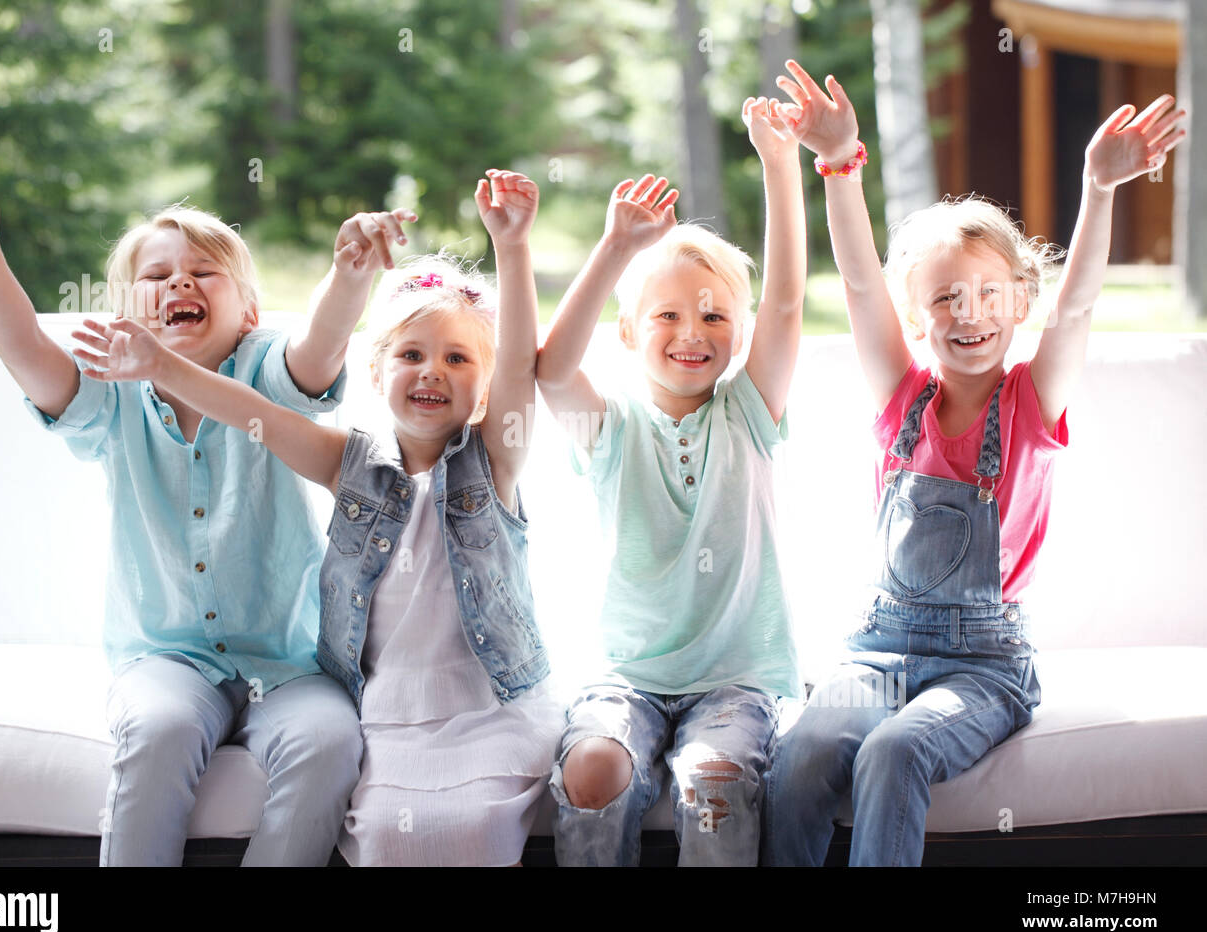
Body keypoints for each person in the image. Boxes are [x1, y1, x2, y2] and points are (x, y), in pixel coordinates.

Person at [0, 132, 418, 865]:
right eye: (157, 276)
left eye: (204, 272)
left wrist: (350, 276)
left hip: (290, 662)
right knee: (157, 732)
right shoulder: (110, 399)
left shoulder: (264, 373)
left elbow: (319, 347)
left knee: (330, 739)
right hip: (165, 658)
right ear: (127, 314)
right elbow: (24, 346)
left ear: (248, 311)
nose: (180, 283)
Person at [762, 60, 1186, 867]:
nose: (970, 314)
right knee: (803, 752)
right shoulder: (902, 398)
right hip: (877, 650)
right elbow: (857, 282)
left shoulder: (1031, 403)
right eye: (946, 299)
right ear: (918, 319)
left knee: (893, 752)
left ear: (1021, 303)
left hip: (983, 667)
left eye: (989, 295)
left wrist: (1098, 189)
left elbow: (1082, 303)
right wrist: (839, 164)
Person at [72, 169, 561, 867]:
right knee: (389, 835)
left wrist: (511, 246)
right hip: (390, 710)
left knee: (470, 834)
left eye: (457, 359)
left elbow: (519, 363)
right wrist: (159, 365)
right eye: (412, 355)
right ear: (375, 371)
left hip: (488, 707)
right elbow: (257, 416)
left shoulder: (495, 463)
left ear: (482, 389)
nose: (432, 372)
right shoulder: (348, 464)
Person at [536, 98, 806, 866]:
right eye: (668, 316)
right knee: (591, 768)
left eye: (716, 317)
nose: (694, 333)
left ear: (740, 335)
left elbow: (786, 300)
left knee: (713, 778)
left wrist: (780, 165)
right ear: (628, 332)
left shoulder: (749, 412)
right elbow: (551, 366)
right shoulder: (611, 427)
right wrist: (617, 246)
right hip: (625, 677)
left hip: (737, 681)